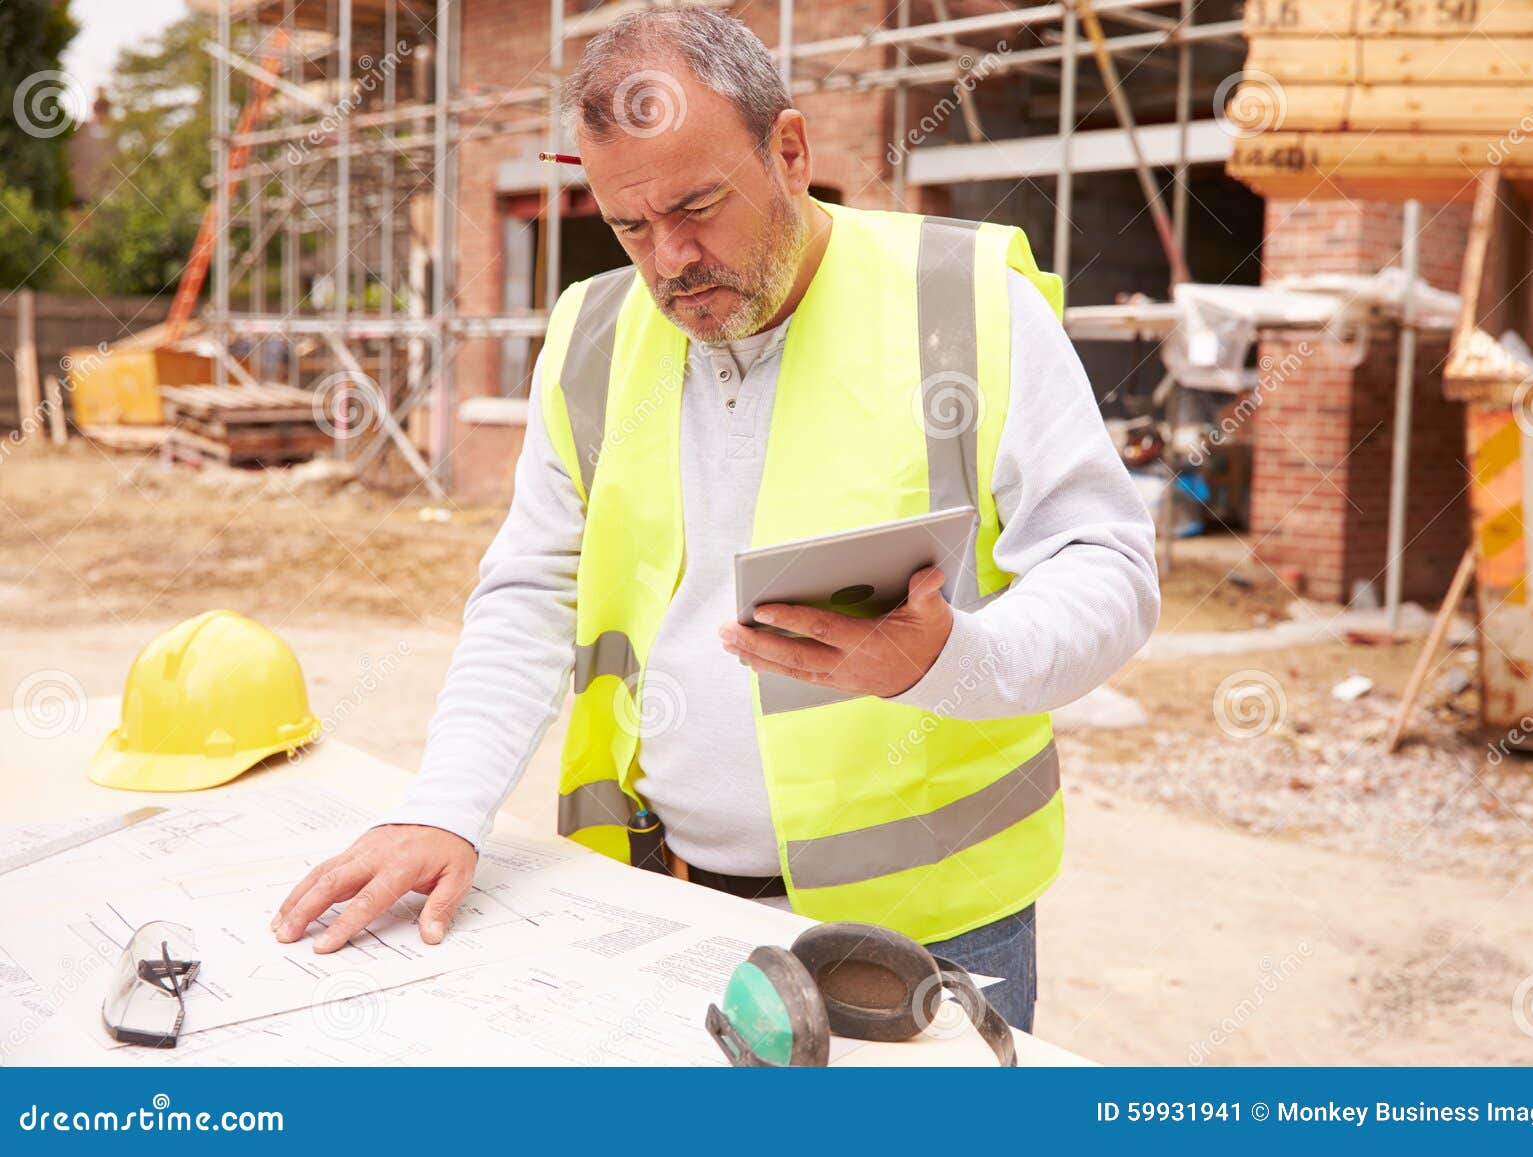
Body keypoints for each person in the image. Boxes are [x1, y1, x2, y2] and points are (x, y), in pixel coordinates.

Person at [273, 8, 1158, 1032]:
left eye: (698, 205)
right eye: (629, 226)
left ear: (789, 150)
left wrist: (948, 658)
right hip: (659, 891)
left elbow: (1108, 569)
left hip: (927, 931)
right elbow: (530, 592)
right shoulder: (594, 337)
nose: (670, 261)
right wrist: (444, 802)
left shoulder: (962, 302)